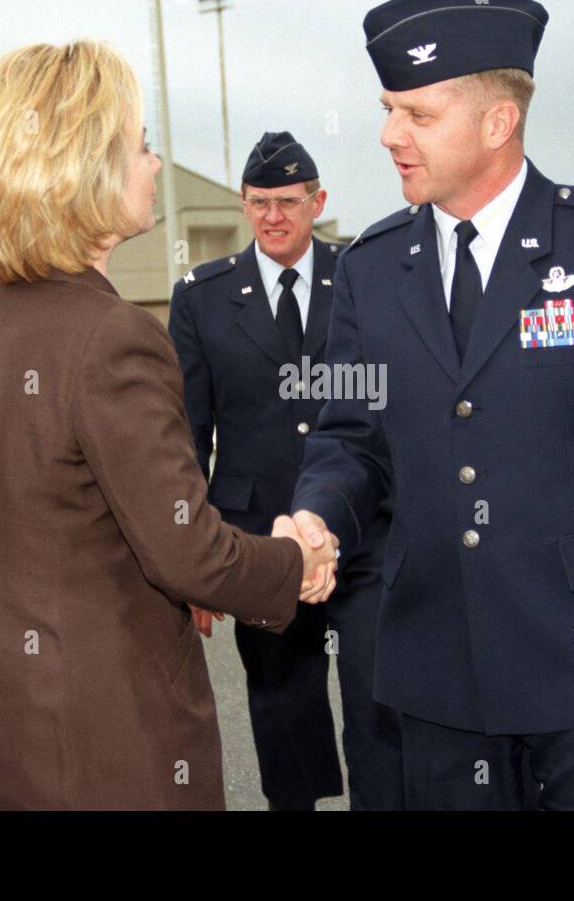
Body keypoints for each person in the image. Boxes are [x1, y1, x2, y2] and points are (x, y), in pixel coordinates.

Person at [290, 0, 574, 810]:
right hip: (439, 679)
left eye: (417, 115)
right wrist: (318, 513)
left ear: (498, 123)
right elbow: (350, 438)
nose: (390, 135)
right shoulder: (371, 269)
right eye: (389, 110)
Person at [0, 40, 338, 810]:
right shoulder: (111, 335)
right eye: (140, 143)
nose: (152, 164)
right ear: (85, 168)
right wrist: (296, 559)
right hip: (94, 736)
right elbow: (190, 555)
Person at [169, 130, 402, 810]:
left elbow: (388, 407)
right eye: (259, 202)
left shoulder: (364, 276)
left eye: (288, 201)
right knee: (282, 704)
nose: (273, 216)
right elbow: (189, 433)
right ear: (244, 204)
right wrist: (195, 555)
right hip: (258, 540)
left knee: (377, 695)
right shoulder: (202, 296)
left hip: (361, 530)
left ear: (317, 201)